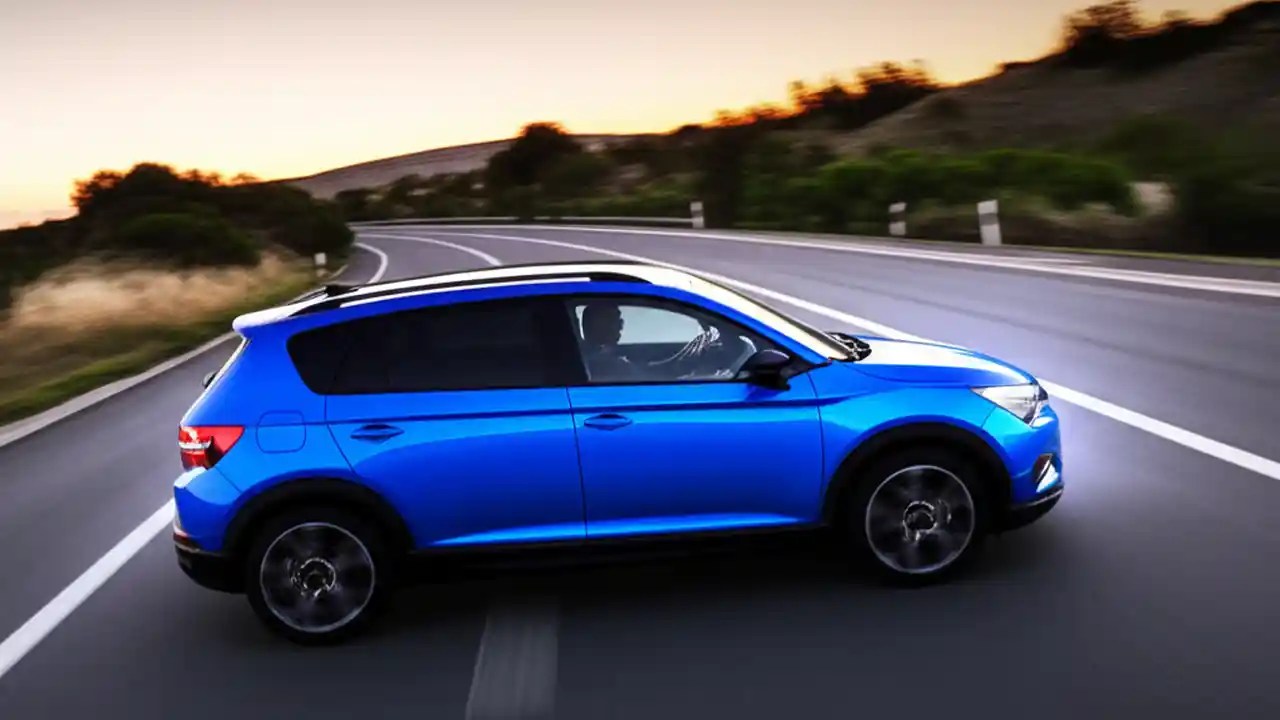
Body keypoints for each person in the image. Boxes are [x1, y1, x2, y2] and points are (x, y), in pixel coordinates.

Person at [579, 302, 638, 381]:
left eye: (620, 320)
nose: (620, 326)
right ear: (598, 326)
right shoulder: (612, 365)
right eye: (614, 320)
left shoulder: (581, 357)